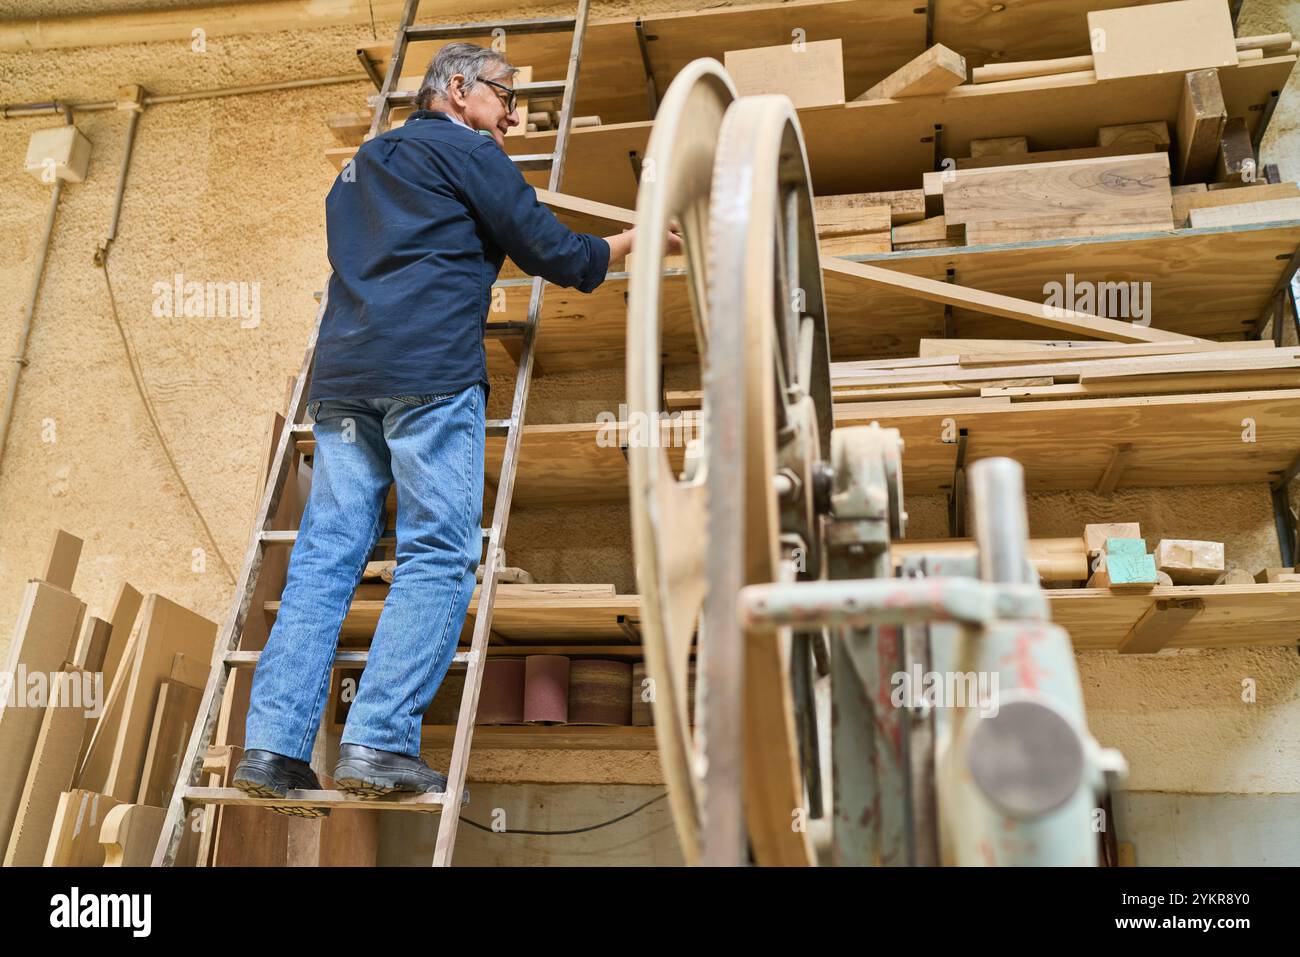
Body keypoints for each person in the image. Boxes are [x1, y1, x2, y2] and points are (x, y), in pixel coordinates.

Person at [233, 41, 676, 815]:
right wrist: (634, 240)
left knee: (325, 556)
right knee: (437, 551)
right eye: (506, 97)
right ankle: (378, 740)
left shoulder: (359, 170)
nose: (513, 114)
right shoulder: (470, 153)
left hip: (341, 383)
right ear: (460, 88)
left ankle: (272, 749)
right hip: (427, 377)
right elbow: (556, 253)